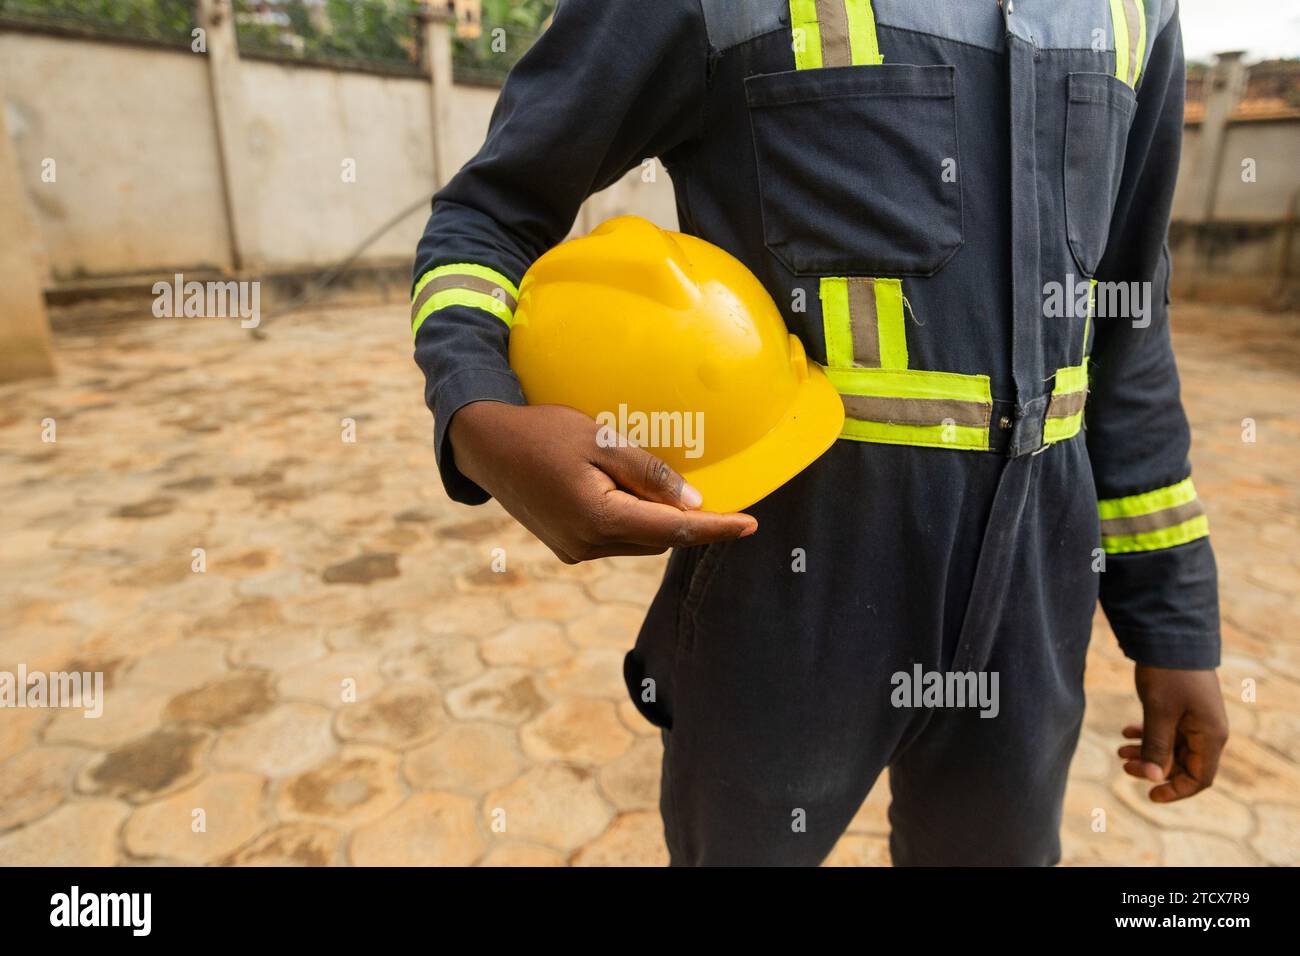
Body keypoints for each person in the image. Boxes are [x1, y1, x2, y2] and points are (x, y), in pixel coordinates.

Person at [410, 0, 1228, 866]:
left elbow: (1128, 329)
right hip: (784, 591)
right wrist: (478, 415)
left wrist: (1173, 625)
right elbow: (487, 217)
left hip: (1034, 606)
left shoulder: (1138, 12)